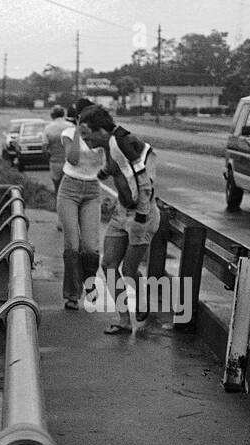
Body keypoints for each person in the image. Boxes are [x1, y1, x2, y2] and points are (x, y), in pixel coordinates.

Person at [77, 104, 161, 334]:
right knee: (108, 264)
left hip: (140, 215)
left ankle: (141, 300)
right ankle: (124, 320)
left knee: (130, 271)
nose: (86, 142)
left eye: (87, 135)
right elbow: (113, 170)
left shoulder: (122, 144)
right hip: (121, 212)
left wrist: (141, 216)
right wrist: (103, 177)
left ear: (101, 130)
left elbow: (143, 181)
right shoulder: (109, 145)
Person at [56, 98, 105, 310]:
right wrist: (77, 130)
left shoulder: (101, 137)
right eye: (81, 118)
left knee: (91, 248)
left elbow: (110, 165)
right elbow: (73, 159)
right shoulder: (68, 134)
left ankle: (90, 285)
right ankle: (72, 295)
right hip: (69, 189)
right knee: (72, 246)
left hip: (92, 190)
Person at [44, 105, 72, 199]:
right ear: (63, 114)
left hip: (55, 161)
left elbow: (44, 147)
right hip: (69, 161)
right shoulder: (71, 126)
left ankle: (57, 204)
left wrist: (48, 157)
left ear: (52, 116)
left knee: (57, 186)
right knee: (68, 187)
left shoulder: (48, 128)